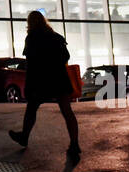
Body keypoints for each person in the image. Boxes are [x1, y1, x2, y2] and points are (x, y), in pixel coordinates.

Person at [9, 10, 81, 160]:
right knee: (67, 111)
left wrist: (29, 86)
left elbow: (31, 64)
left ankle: (24, 136)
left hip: (40, 81)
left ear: (29, 23)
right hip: (59, 79)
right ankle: (74, 143)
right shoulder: (56, 37)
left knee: (31, 109)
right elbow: (66, 56)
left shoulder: (32, 38)